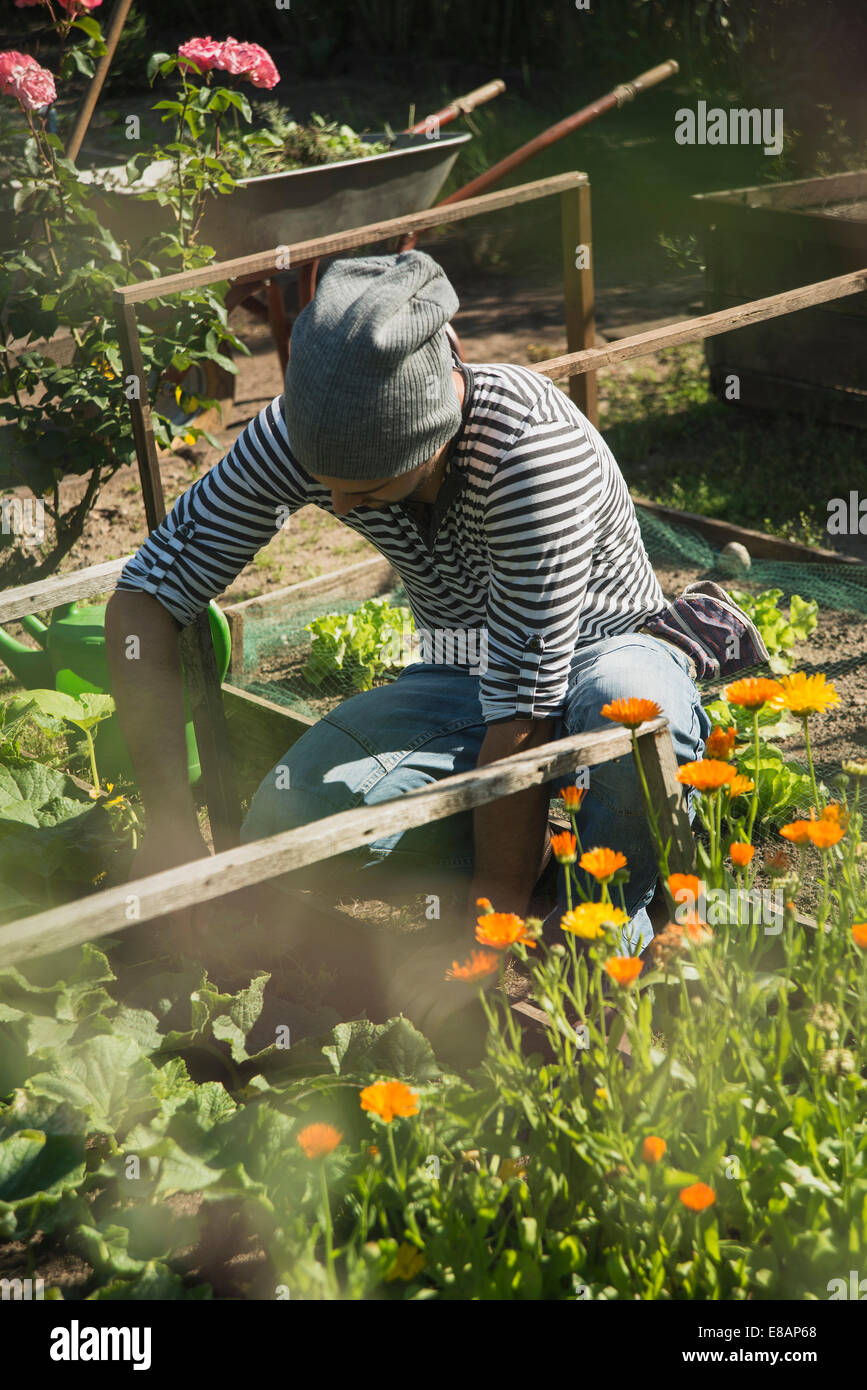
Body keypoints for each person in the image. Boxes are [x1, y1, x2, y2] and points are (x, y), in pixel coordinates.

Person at [107, 250, 763, 999]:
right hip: (458, 669)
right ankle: (549, 857)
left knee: (621, 713)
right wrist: (166, 822)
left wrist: (481, 942)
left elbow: (521, 719)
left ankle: (607, 939)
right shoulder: (309, 431)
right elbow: (146, 598)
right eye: (327, 489)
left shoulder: (529, 458)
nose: (342, 508)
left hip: (604, 645)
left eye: (367, 491)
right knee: (293, 819)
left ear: (434, 433)